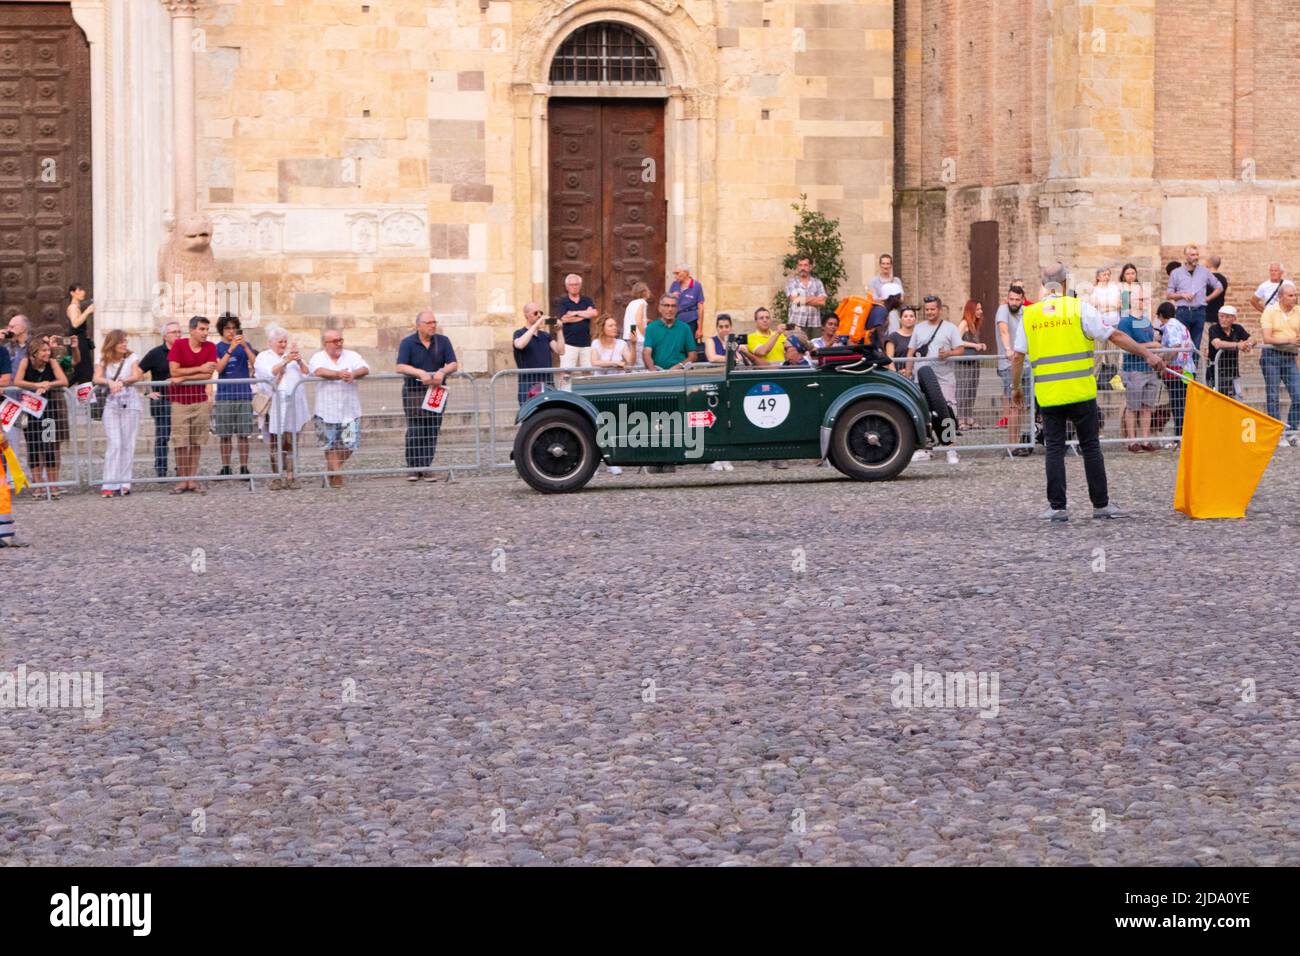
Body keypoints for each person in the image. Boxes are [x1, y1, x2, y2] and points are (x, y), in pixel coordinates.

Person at [1009, 263, 1166, 521]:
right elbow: (1114, 335)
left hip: (1050, 395)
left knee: (1054, 449)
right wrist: (1148, 353)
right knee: (1091, 446)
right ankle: (1101, 505)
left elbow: (1017, 356)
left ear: (1043, 285)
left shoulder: (1031, 315)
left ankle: (1057, 507)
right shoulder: (1079, 308)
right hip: (1081, 392)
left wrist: (1016, 389)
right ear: (1065, 284)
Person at [395, 310, 459, 481]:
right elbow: (400, 366)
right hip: (414, 391)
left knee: (432, 430)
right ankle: (413, 467)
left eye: (434, 322)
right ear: (419, 325)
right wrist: (419, 372)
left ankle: (426, 466)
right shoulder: (407, 342)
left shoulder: (443, 341)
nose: (433, 325)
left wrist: (442, 371)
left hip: (436, 391)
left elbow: (453, 363)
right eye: (429, 323)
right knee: (415, 430)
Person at [908, 295, 965, 465]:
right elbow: (911, 351)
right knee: (924, 413)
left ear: (939, 310)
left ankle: (951, 448)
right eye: (927, 309)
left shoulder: (950, 328)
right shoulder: (918, 328)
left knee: (946, 412)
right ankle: (926, 447)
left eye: (933, 309)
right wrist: (909, 371)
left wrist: (948, 354)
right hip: (922, 377)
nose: (930, 312)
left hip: (944, 377)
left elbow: (960, 349)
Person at [308, 330, 370, 487]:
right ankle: (337, 475)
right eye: (335, 341)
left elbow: (365, 368)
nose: (339, 343)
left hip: (349, 410)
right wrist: (339, 374)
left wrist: (353, 374)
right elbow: (319, 371)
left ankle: (331, 471)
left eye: (340, 340)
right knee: (329, 445)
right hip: (326, 410)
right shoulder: (318, 357)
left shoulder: (351, 355)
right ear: (325, 343)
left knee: (349, 444)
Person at [253, 326, 312, 490]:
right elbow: (268, 373)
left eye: (285, 341)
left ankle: (292, 475)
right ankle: (276, 477)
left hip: (294, 406)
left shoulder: (293, 358)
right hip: (275, 407)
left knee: (291, 441)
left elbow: (308, 373)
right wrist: (285, 361)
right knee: (275, 442)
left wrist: (298, 360)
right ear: (271, 342)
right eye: (280, 341)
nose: (283, 344)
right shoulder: (263, 357)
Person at [167, 315, 218, 494]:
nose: (205, 333)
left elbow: (207, 375)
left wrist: (184, 377)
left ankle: (192, 479)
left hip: (200, 400)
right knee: (180, 442)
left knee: (196, 442)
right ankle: (182, 479)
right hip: (180, 401)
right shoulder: (179, 345)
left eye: (206, 330)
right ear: (192, 330)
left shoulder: (211, 347)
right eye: (201, 329)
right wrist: (199, 368)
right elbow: (174, 370)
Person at [93, 329, 145, 497]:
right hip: (111, 404)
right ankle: (109, 483)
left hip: (130, 403)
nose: (124, 344)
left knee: (128, 443)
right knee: (114, 443)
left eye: (125, 341)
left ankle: (124, 482)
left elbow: (138, 375)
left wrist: (123, 381)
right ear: (113, 343)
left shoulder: (131, 358)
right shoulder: (103, 359)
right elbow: (97, 378)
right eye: (121, 341)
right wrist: (110, 382)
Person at [14, 337, 68, 496]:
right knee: (33, 446)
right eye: (43, 350)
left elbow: (63, 380)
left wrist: (49, 384)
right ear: (34, 353)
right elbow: (18, 381)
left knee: (49, 445)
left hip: (48, 409)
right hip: (28, 409)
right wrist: (36, 385)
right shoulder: (25, 362)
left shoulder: (52, 363)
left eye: (48, 350)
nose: (47, 353)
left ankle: (52, 484)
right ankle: (38, 485)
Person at [213, 313, 258, 479]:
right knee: (224, 435)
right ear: (221, 330)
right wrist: (231, 349)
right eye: (227, 328)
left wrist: (245, 347)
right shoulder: (216, 347)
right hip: (224, 395)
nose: (231, 331)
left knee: (243, 434)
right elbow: (218, 368)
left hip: (243, 394)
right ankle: (226, 466)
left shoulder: (246, 345)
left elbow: (256, 364)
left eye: (233, 328)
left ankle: (244, 467)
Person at [138, 320, 181, 477]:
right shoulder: (155, 353)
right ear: (164, 336)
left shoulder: (184, 351)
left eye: (179, 332)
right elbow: (137, 371)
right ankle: (161, 469)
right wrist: (147, 391)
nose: (178, 335)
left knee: (181, 436)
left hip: (182, 399)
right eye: (174, 332)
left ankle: (181, 468)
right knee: (163, 436)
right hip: (162, 400)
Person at [1259, 280, 1300, 444]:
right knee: (1273, 396)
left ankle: (1290, 431)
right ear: (1281, 297)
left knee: (1298, 395)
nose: (1295, 298)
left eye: (1296, 295)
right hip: (1271, 356)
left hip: (1290, 357)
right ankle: (1276, 435)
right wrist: (1290, 339)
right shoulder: (1270, 311)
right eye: (1291, 295)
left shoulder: (1298, 311)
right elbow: (1267, 338)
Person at [1115, 304, 1160, 452]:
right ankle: (1132, 440)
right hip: (1134, 369)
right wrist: (1152, 345)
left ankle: (1145, 440)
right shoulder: (1125, 321)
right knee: (1133, 406)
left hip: (1149, 367)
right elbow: (1127, 344)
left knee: (1147, 406)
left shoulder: (1145, 320)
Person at [1165, 244, 1221, 352]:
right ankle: (1183, 369)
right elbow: (1169, 294)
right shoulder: (1176, 273)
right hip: (1182, 312)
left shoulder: (1204, 271)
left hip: (1199, 312)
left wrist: (1207, 298)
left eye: (1197, 254)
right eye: (1192, 255)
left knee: (1196, 346)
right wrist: (1182, 295)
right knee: (1182, 344)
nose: (1196, 257)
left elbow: (1219, 287)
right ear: (1186, 256)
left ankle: (1192, 369)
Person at [1153, 300, 1194, 442]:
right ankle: (1184, 436)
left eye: (1159, 317)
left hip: (1177, 371)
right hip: (1187, 369)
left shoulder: (1170, 326)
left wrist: (1164, 362)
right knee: (1183, 404)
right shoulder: (1180, 325)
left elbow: (1175, 346)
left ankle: (1179, 437)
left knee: (1178, 405)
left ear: (1162, 315)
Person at [995, 285, 1029, 453]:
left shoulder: (1026, 312)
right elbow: (1004, 330)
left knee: (1021, 405)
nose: (1014, 302)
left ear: (1022, 299)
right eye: (1011, 299)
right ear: (1007, 299)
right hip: (1009, 364)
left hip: (1026, 363)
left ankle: (1017, 440)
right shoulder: (1003, 310)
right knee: (1015, 404)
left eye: (1017, 299)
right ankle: (1012, 443)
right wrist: (1008, 349)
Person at [512, 302, 564, 407]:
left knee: (550, 411)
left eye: (541, 313)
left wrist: (559, 331)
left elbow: (560, 351)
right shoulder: (519, 333)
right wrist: (536, 325)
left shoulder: (545, 335)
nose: (539, 315)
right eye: (535, 313)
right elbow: (520, 345)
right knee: (529, 413)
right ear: (526, 315)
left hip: (547, 382)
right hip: (528, 383)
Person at [1206, 304, 1252, 400]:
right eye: (1221, 316)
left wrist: (1248, 344)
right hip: (1215, 373)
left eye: (1227, 317)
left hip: (1233, 373)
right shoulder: (1214, 328)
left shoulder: (1237, 328)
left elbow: (1252, 338)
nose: (1223, 319)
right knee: (1216, 401)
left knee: (1237, 400)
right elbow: (1217, 344)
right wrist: (1237, 345)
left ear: (1233, 318)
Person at [641, 294, 698, 371]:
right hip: (658, 373)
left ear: (677, 309)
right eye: (666, 305)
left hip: (680, 373)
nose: (670, 309)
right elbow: (646, 353)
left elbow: (693, 355)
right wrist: (654, 373)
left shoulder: (685, 328)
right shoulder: (651, 328)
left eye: (673, 306)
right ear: (659, 308)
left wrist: (678, 366)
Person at [955, 299, 988, 429]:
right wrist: (975, 345)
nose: (980, 311)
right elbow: (956, 340)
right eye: (978, 309)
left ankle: (969, 417)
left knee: (972, 389)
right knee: (963, 389)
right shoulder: (964, 323)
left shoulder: (974, 325)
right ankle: (960, 419)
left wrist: (980, 345)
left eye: (980, 309)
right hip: (963, 363)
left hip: (973, 362)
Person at [554, 274, 598, 368]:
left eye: (576, 284)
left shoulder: (587, 300)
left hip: (586, 343)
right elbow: (564, 319)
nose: (574, 286)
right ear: (566, 287)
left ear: (580, 285)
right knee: (566, 374)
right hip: (569, 344)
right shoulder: (563, 302)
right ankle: (565, 384)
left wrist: (575, 313)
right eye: (571, 284)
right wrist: (585, 314)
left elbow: (594, 313)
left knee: (588, 374)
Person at [785, 256, 828, 341]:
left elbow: (822, 301)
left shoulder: (817, 282)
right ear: (797, 267)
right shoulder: (792, 282)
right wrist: (814, 298)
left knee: (815, 349)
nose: (802, 268)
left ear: (810, 267)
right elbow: (794, 300)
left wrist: (801, 299)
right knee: (796, 349)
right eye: (800, 265)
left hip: (814, 323)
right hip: (796, 323)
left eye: (805, 265)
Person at [65, 282, 95, 385]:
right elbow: (75, 323)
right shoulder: (73, 307)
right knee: (83, 371)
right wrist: (87, 311)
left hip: (81, 342)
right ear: (72, 293)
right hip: (78, 343)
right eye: (79, 290)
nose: (83, 292)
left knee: (83, 371)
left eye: (83, 290)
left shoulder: (77, 307)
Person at [668, 263, 705, 345]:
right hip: (675, 320)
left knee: (689, 346)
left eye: (677, 273)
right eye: (675, 273)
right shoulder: (674, 284)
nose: (675, 276)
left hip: (690, 321)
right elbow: (666, 301)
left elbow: (701, 308)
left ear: (686, 273)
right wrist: (671, 296)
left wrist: (700, 329)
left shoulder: (696, 286)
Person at [621, 281, 651, 368]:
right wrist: (645, 336)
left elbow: (632, 324)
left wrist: (633, 336)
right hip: (639, 340)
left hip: (630, 339)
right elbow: (638, 321)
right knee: (640, 366)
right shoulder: (642, 302)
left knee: (633, 364)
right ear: (644, 292)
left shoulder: (631, 304)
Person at [885, 305, 917, 375]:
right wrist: (897, 375)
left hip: (917, 375)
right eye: (905, 316)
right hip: (899, 375)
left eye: (911, 316)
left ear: (915, 319)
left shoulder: (919, 336)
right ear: (900, 319)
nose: (909, 319)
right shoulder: (893, 337)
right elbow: (890, 361)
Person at [1205, 255, 1228, 329]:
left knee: (1206, 339)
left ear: (1208, 263)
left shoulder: (1206, 278)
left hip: (1206, 316)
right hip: (1218, 315)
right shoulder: (1223, 279)